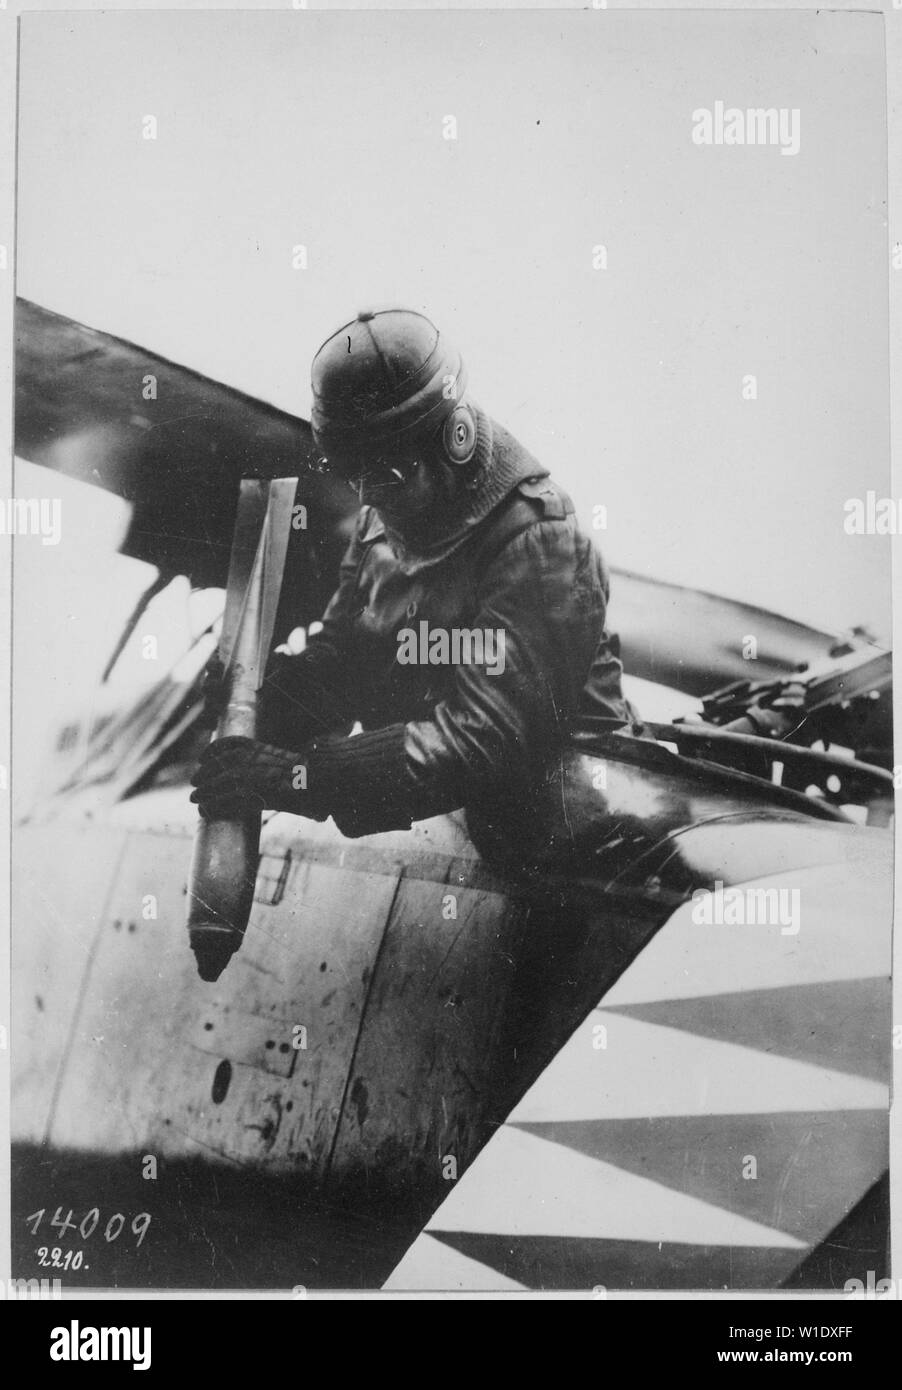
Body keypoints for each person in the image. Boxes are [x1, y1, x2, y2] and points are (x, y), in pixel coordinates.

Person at [191, 308, 632, 842]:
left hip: (566, 835)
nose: (365, 497)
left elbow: (487, 738)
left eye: (386, 476)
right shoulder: (388, 507)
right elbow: (346, 652)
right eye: (353, 474)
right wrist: (269, 698)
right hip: (460, 810)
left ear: (456, 441)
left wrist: (304, 778)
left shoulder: (539, 546)